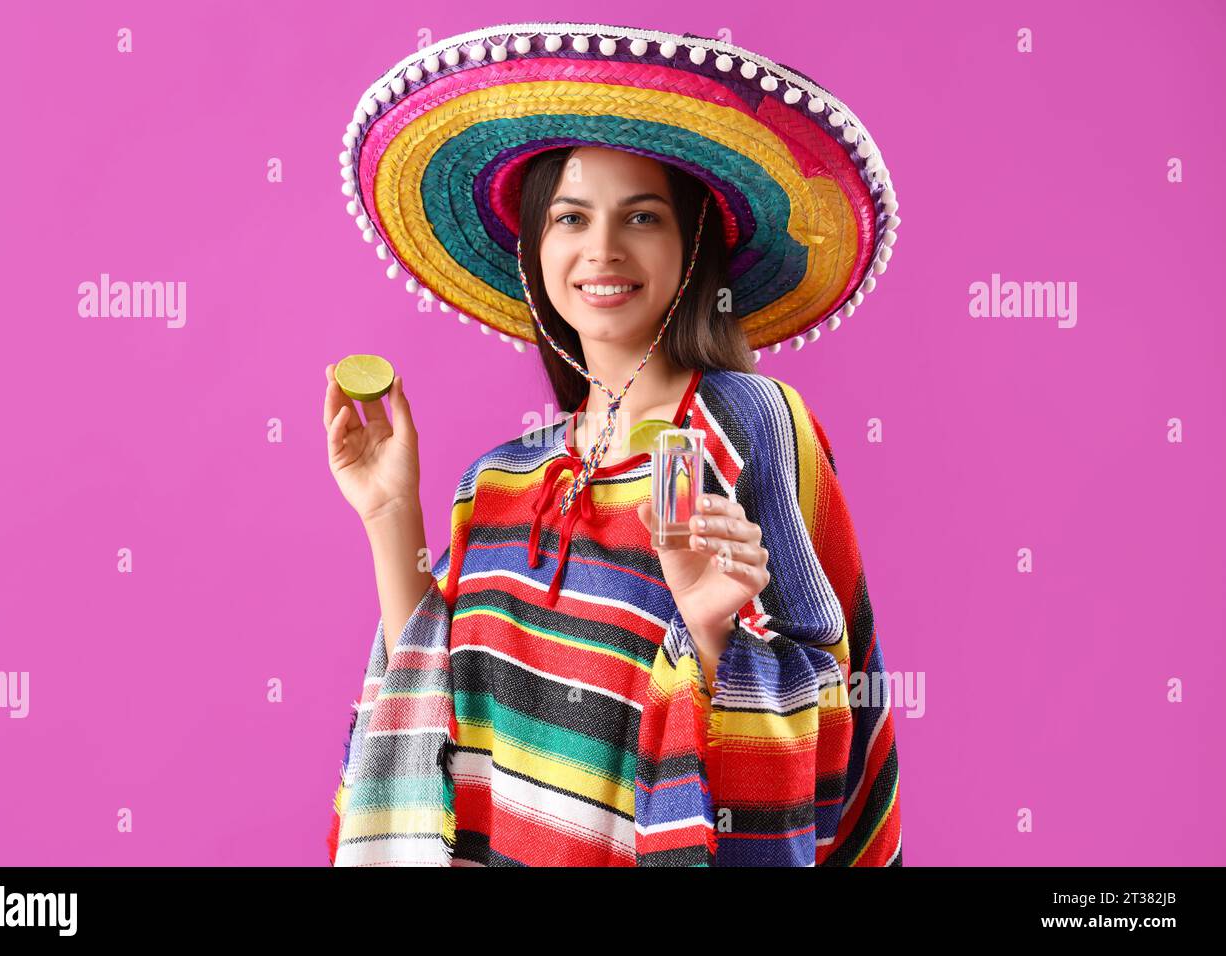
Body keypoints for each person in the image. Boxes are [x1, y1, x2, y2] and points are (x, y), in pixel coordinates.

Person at [326, 23, 902, 866]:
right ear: (534, 246)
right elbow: (431, 724)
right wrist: (390, 511)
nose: (602, 249)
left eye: (642, 216)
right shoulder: (498, 479)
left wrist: (710, 641)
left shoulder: (745, 427)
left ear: (691, 244)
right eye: (570, 217)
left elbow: (830, 711)